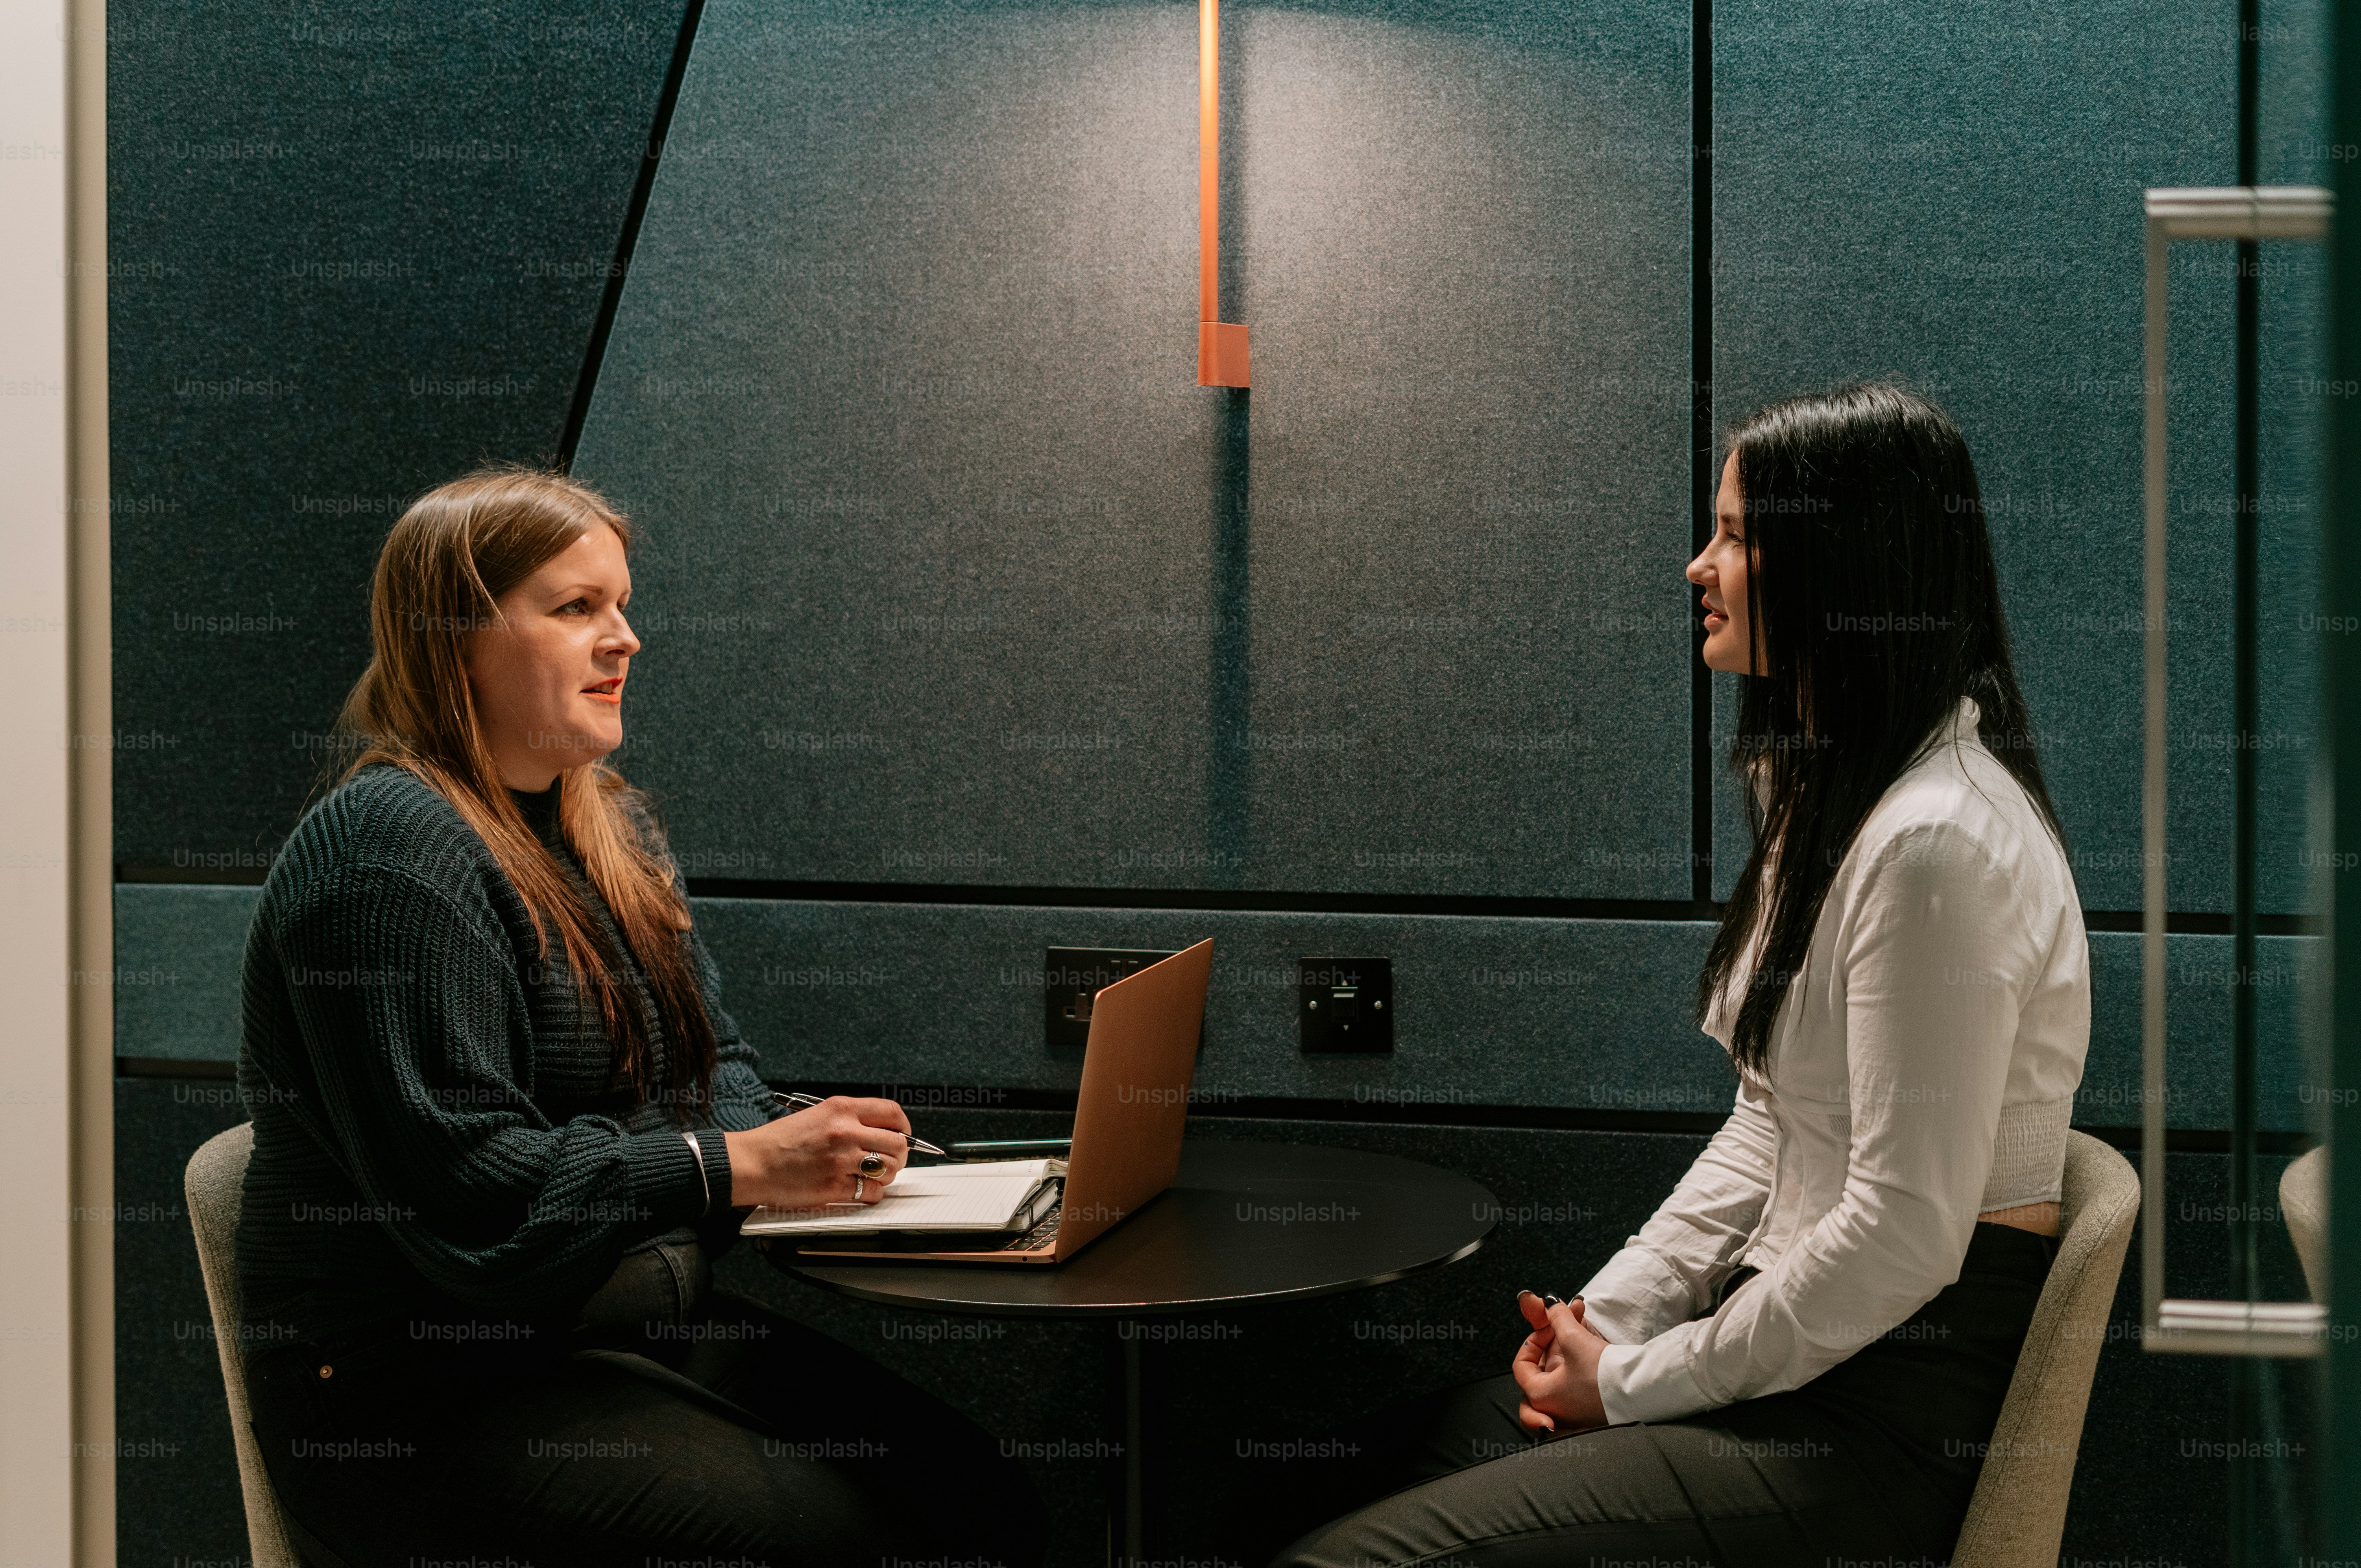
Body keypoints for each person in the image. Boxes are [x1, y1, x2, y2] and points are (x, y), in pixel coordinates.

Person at [1230, 383, 2090, 1567]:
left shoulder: (1938, 845)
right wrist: (1604, 1327)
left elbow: (1902, 1235)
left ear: (1841, 566)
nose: (1699, 565)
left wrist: (1633, 1384)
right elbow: (1770, 1126)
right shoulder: (1836, 798)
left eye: (1735, 535)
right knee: (1286, 1499)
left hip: (1872, 1422)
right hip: (1785, 1355)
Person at [234, 468, 1049, 1568]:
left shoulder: (606, 828)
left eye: (621, 605)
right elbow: (479, 1202)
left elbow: (713, 1075)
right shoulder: (387, 855)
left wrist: (825, 1147)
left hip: (601, 1334)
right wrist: (730, 1164)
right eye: (576, 608)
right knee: (849, 1544)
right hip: (417, 1395)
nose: (624, 640)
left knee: (981, 1496)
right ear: (453, 641)